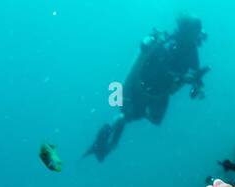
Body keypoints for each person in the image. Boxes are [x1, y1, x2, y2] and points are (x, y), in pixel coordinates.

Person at [85, 17, 209, 162]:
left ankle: (108, 142)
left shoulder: (190, 49)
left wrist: (197, 85)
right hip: (146, 89)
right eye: (196, 31)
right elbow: (161, 72)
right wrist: (184, 79)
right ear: (187, 32)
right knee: (131, 115)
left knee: (137, 117)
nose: (199, 35)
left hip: (158, 91)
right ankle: (107, 141)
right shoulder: (169, 45)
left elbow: (193, 72)